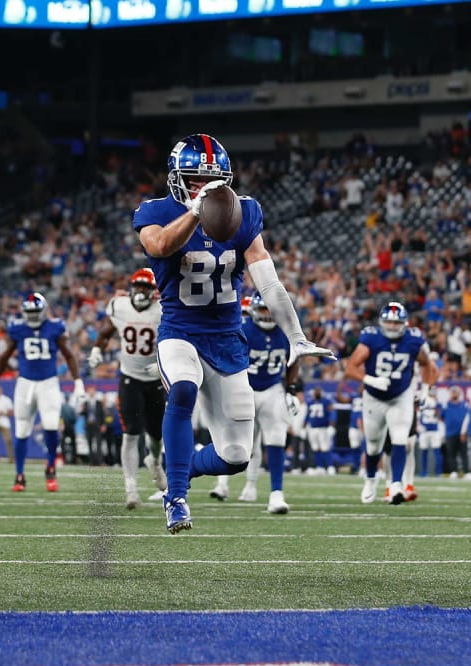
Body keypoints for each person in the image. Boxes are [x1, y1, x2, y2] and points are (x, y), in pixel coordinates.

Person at [133, 133, 333, 533]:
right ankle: (176, 498)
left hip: (227, 337)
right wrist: (194, 209)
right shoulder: (155, 211)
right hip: (181, 331)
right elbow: (157, 246)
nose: (204, 187)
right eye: (194, 179)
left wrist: (296, 336)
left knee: (237, 456)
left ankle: (180, 469)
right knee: (184, 388)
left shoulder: (245, 213)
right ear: (177, 178)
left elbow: (269, 282)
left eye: (212, 180)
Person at [0, 292, 86, 492]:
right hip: (25, 383)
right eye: (29, 312)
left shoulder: (55, 327)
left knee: (50, 426)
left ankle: (50, 470)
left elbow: (68, 355)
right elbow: (5, 355)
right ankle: (20, 475)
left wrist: (78, 381)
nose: (32, 317)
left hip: (48, 383)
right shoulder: (18, 329)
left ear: (43, 311)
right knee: (21, 430)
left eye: (35, 312)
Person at [342, 301, 438, 505]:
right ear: (382, 322)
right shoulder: (371, 338)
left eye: (397, 322)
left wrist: (426, 390)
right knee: (374, 446)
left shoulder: (413, 340)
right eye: (389, 322)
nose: (393, 326)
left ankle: (396, 484)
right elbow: (350, 367)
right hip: (374, 397)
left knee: (400, 438)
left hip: (401, 395)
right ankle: (370, 480)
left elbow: (429, 366)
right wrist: (369, 379)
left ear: (404, 323)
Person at [89, 268, 167, 509]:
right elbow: (107, 330)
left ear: (154, 291)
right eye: (138, 285)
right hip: (129, 379)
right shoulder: (120, 306)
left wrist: (163, 362)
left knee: (156, 435)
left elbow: (177, 338)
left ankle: (154, 461)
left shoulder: (163, 309)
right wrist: (97, 348)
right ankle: (130, 488)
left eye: (146, 287)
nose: (141, 290)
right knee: (131, 432)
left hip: (155, 381)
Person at [216, 291, 300, 512]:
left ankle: (276, 494)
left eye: (270, 309)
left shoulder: (285, 329)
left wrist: (291, 389)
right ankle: (221, 483)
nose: (268, 314)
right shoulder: (243, 329)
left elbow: (294, 359)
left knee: (277, 437)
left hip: (272, 388)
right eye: (263, 309)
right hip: (246, 388)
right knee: (238, 445)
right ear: (254, 310)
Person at [305, 386, 335, 476]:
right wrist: (304, 426)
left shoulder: (326, 401)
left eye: (318, 391)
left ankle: (330, 467)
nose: (316, 393)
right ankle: (320, 467)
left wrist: (331, 425)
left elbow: (332, 413)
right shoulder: (310, 402)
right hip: (313, 428)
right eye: (315, 391)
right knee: (315, 448)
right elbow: (308, 415)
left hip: (323, 428)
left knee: (325, 448)